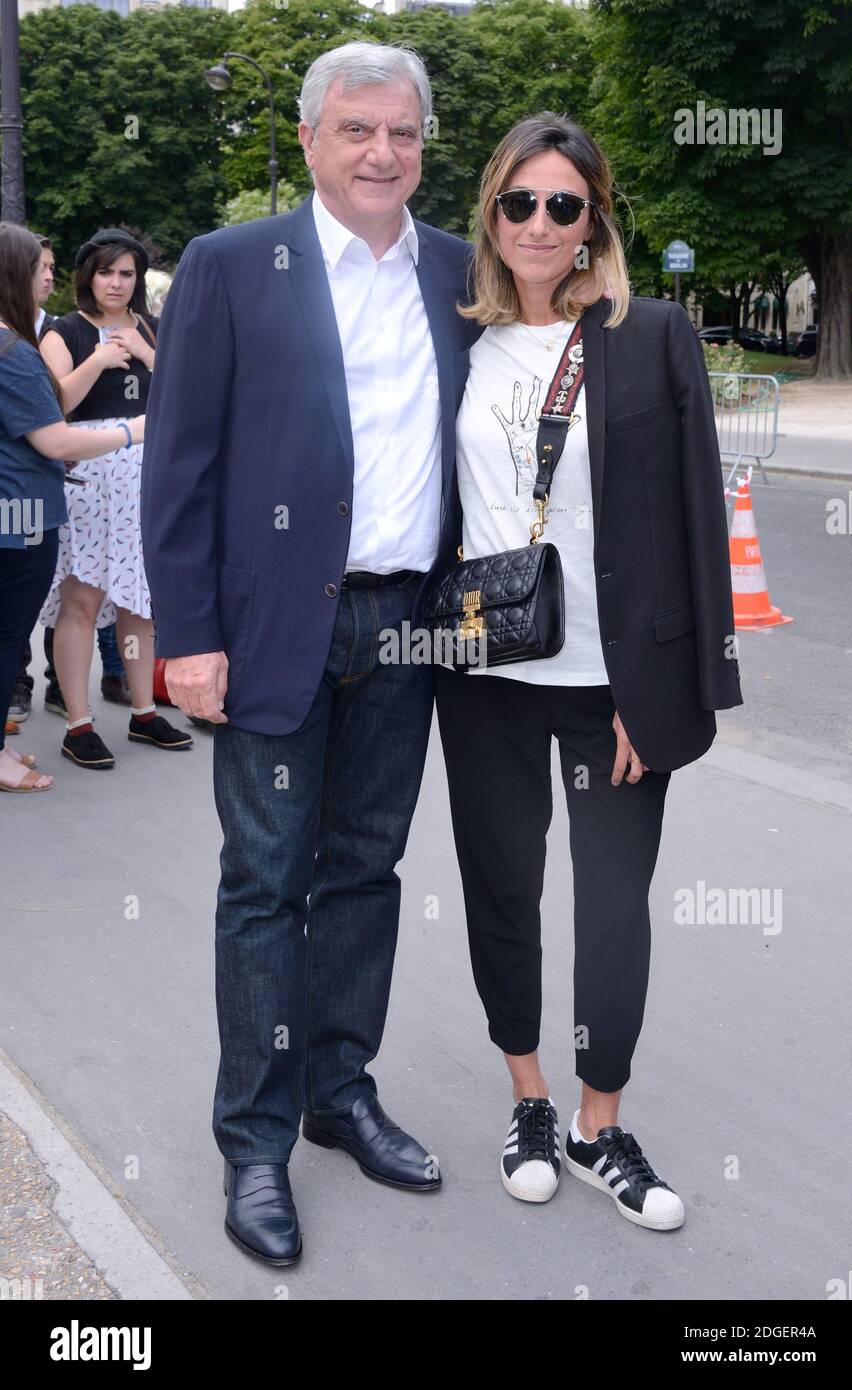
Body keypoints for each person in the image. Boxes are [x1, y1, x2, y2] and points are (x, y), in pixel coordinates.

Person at [140, 41, 475, 1266]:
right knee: (265, 883)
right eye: (356, 130)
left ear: (421, 144)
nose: (381, 152)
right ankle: (254, 1139)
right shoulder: (234, 268)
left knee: (367, 869)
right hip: (274, 625)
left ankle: (339, 1093)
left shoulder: (456, 269)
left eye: (401, 132)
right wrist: (188, 638)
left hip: (410, 625)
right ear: (310, 141)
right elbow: (177, 470)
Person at [432, 113, 743, 1227]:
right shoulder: (455, 339)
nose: (539, 223)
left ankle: (595, 1122)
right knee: (500, 895)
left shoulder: (648, 333)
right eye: (520, 201)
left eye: (564, 204)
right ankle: (525, 1097)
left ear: (592, 221)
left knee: (611, 910)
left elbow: (692, 523)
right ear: (491, 213)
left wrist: (665, 692)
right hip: (480, 677)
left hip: (609, 690)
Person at [39, 228, 191, 770]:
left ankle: (144, 712)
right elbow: (53, 405)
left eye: (127, 273)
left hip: (145, 476)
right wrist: (98, 362)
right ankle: (78, 724)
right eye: (107, 272)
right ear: (88, 276)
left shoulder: (149, 327)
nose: (117, 283)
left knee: (138, 602)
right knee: (82, 598)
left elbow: (185, 396)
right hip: (87, 475)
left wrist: (149, 353)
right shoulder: (63, 331)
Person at [0, 222, 144, 792]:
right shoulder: (17, 349)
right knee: (9, 636)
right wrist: (132, 433)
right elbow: (55, 437)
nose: (49, 277)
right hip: (21, 517)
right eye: (42, 268)